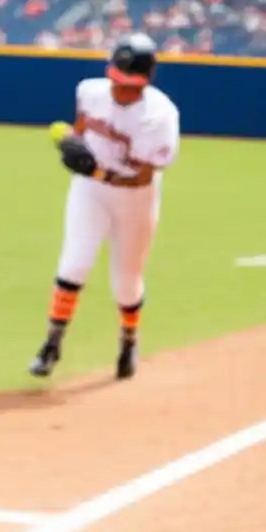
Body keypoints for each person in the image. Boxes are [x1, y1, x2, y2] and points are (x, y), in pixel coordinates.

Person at [30, 33, 181, 381]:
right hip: (90, 191)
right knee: (74, 262)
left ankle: (129, 341)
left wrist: (96, 170)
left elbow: (142, 177)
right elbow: (81, 127)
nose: (119, 89)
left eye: (129, 84)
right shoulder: (90, 90)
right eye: (116, 80)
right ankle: (52, 344)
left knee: (126, 281)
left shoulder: (160, 117)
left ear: (145, 83)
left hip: (134, 199)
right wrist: (69, 140)